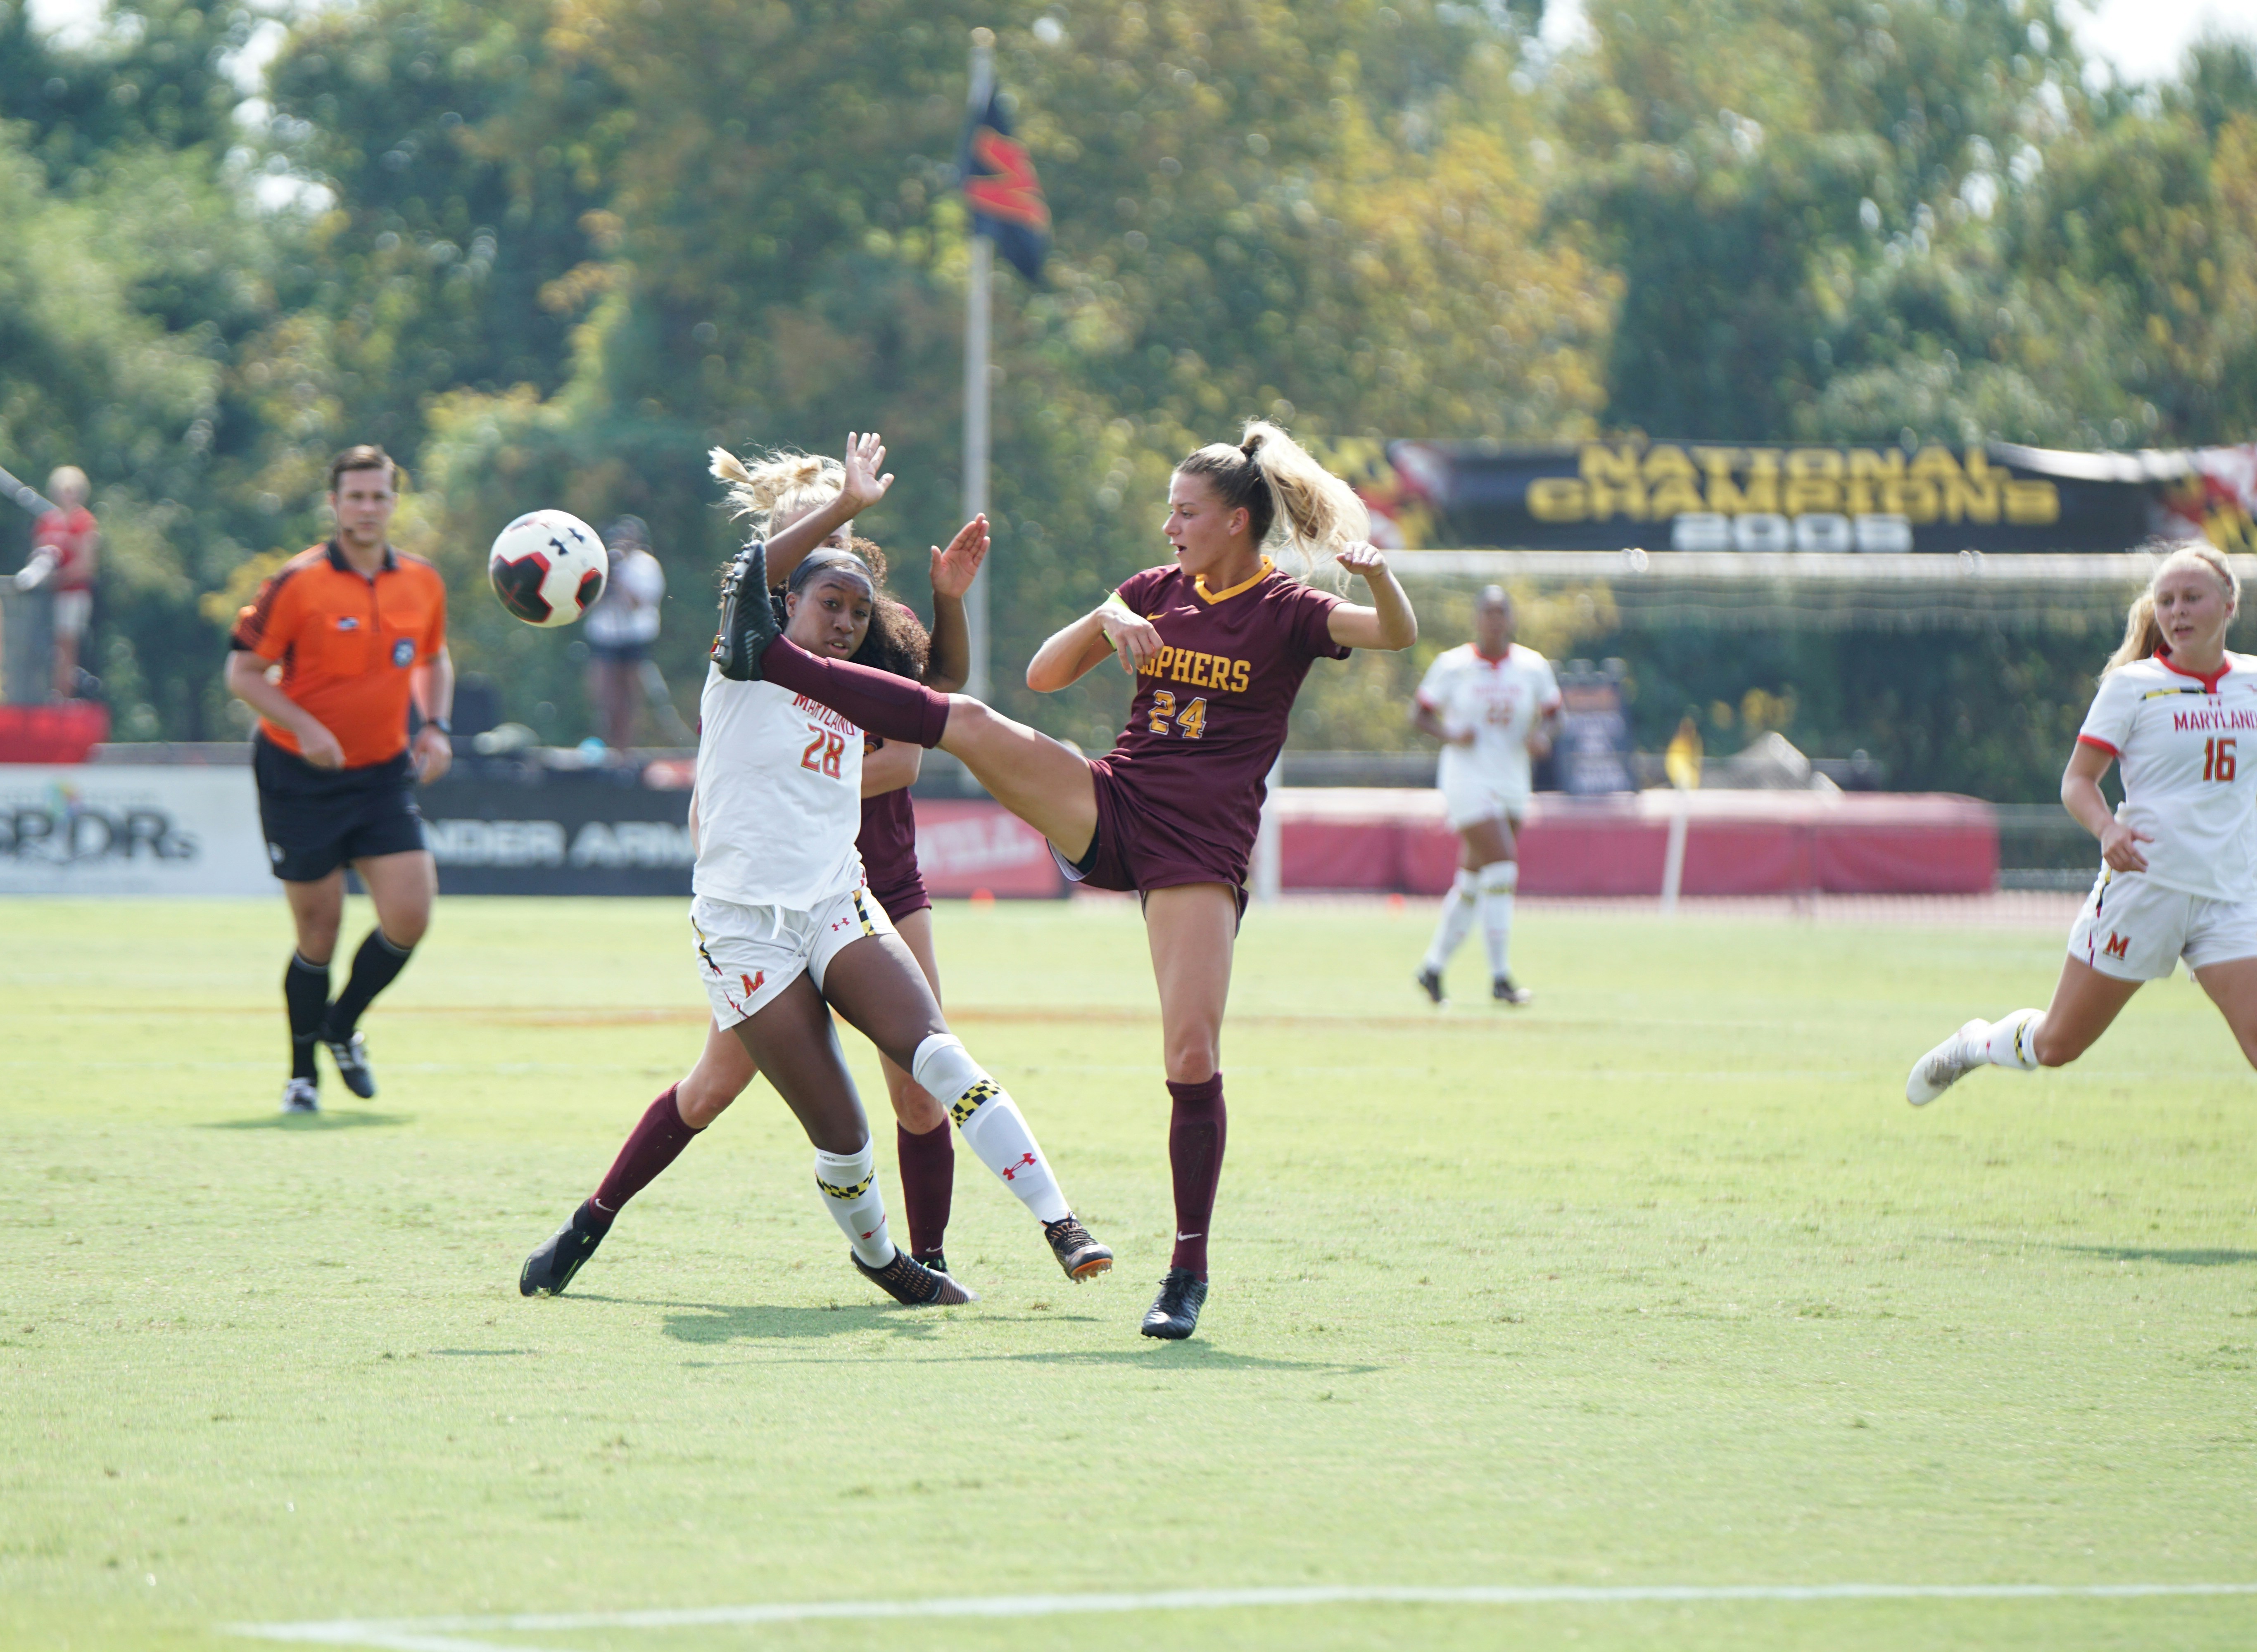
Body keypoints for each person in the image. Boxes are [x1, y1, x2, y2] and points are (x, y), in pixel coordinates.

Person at [708, 420, 1419, 1340]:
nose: (1169, 527)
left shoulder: (1286, 606)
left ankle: (1184, 1274)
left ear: (1238, 522)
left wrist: (1376, 574)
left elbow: (1395, 634)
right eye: (1169, 510)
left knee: (1191, 1057)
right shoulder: (1156, 587)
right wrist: (1106, 616)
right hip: (1111, 803)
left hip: (1199, 850)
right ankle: (776, 661)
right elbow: (1044, 675)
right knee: (963, 716)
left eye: (1186, 512)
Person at [530, 517, 1111, 1307]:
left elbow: (936, 690)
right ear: (786, 600)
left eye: (857, 612)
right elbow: (743, 581)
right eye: (828, 604)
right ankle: (877, 1258)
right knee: (840, 1138)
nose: (844, 623)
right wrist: (842, 496)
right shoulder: (742, 663)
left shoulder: (854, 672)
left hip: (841, 900)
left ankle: (1061, 1223)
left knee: (938, 1059)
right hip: (746, 933)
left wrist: (947, 603)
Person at [1909, 543, 2257, 1104]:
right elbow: (2077, 783)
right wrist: (2108, 831)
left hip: (2230, 897)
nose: (2178, 611)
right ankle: (1976, 1044)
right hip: (2146, 888)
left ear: (2229, 605)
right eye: (2166, 601)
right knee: (2057, 1046)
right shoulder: (2133, 686)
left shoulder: (2251, 681)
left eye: (2193, 598)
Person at [226, 445, 455, 1116]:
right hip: (298, 775)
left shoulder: (422, 582)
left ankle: (341, 1023)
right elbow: (241, 674)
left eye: (379, 496)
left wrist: (435, 725)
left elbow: (434, 657)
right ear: (334, 505)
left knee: (410, 916)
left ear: (393, 503)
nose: (367, 508)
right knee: (318, 933)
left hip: (381, 773)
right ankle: (302, 1076)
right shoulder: (297, 583)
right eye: (354, 497)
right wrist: (306, 729)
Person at [1410, 586, 1560, 1008]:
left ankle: (1432, 969)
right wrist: (1450, 733)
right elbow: (1418, 713)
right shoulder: (1453, 665)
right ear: (1477, 618)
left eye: (1501, 612)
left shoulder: (1532, 667)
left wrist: (1543, 737)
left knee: (1474, 883)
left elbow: (1555, 716)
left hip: (1512, 778)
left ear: (1511, 618)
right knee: (1503, 867)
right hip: (1467, 779)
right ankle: (1500, 978)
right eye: (1488, 612)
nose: (1495, 619)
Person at [582, 515, 665, 752]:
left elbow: (639, 604)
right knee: (605, 698)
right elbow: (590, 603)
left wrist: (620, 581)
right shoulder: (602, 563)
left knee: (629, 699)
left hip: (634, 639)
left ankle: (626, 750)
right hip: (605, 638)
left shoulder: (645, 565)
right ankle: (607, 749)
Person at [19, 466, 99, 698]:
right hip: (47, 596)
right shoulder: (47, 521)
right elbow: (36, 556)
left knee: (66, 646)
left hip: (72, 594)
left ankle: (62, 695)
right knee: (42, 644)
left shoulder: (83, 523)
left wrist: (58, 579)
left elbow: (86, 566)